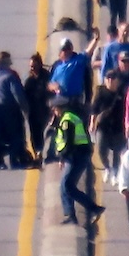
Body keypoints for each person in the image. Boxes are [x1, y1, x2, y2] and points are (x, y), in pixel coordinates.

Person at [46, 94, 105, 228]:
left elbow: (69, 141)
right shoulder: (66, 118)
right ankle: (71, 215)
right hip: (76, 155)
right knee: (65, 186)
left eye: (54, 109)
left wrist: (62, 157)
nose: (53, 111)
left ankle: (92, 208)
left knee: (66, 185)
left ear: (59, 108)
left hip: (77, 156)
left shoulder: (67, 121)